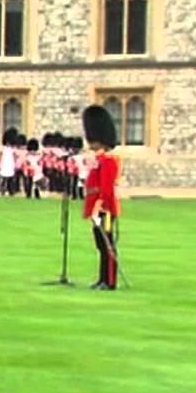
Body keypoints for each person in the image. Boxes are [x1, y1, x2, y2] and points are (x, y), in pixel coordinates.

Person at [82, 105, 121, 291]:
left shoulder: (108, 161)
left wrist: (99, 207)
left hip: (103, 209)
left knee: (107, 244)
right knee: (100, 245)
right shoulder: (98, 160)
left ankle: (110, 281)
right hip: (97, 209)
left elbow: (105, 188)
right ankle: (102, 279)